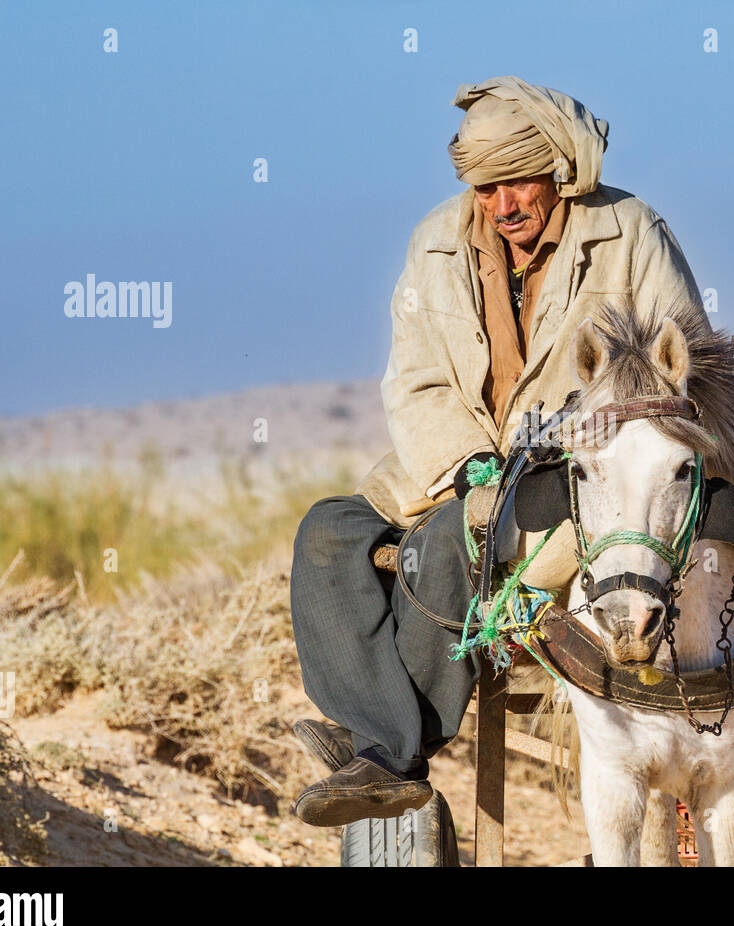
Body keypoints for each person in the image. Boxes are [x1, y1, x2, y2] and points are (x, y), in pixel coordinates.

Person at [290, 76, 708, 827]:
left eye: (519, 181)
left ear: (560, 172)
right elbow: (413, 377)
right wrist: (461, 466)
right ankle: (375, 734)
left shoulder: (631, 231)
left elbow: (683, 366)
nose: (503, 203)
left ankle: (386, 755)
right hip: (452, 462)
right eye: (486, 187)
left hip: (579, 471)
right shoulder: (433, 243)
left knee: (452, 539)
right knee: (326, 533)